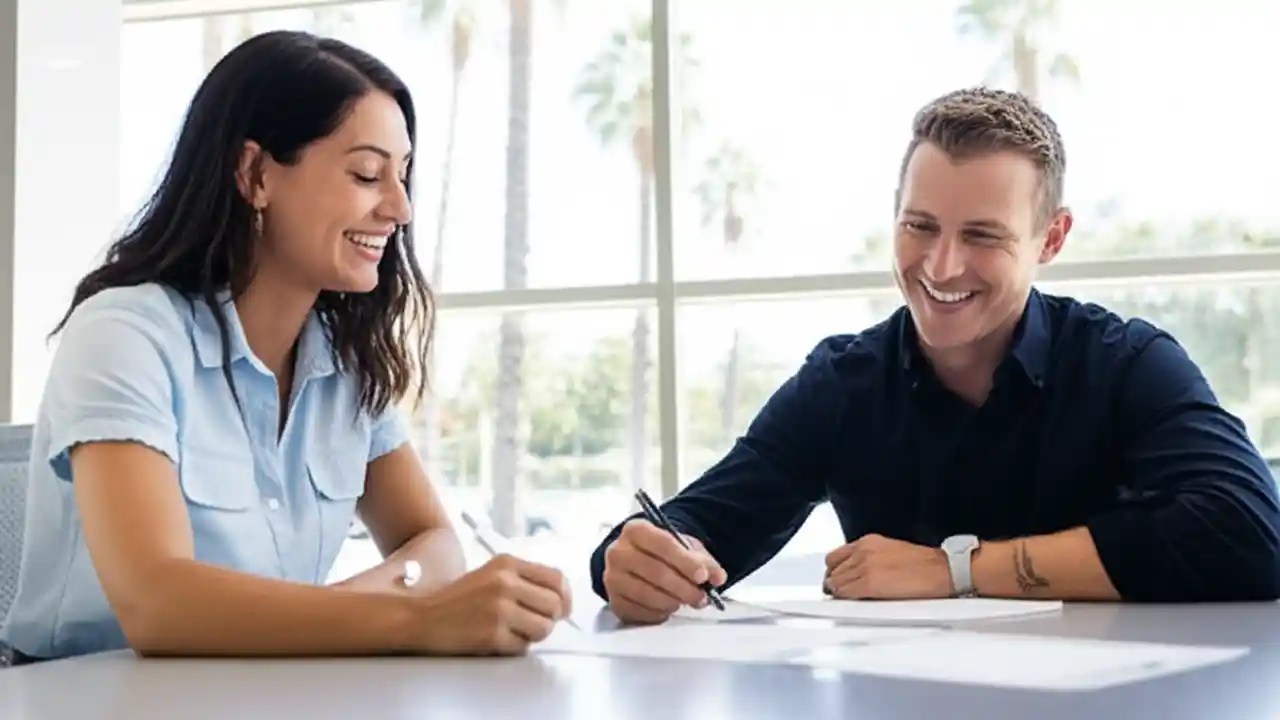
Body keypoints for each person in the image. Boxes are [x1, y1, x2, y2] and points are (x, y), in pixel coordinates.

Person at [590, 87, 1280, 624]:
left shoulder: (1127, 365)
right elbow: (693, 530)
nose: (942, 267)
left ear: (1052, 239)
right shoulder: (842, 384)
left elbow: (1252, 534)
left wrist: (957, 570)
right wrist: (630, 561)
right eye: (920, 227)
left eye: (982, 235)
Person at [0, 31, 571, 662]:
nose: (400, 207)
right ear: (255, 174)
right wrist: (413, 618)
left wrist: (376, 607)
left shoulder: (346, 357)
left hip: (268, 692)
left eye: (402, 175)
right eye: (366, 173)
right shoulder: (125, 334)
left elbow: (433, 541)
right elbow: (157, 602)